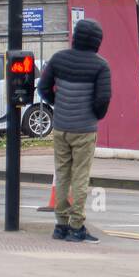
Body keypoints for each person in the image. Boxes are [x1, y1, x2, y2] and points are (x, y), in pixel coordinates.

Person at [37, 18, 112, 243]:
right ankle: (76, 226)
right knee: (80, 177)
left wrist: (57, 103)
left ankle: (60, 225)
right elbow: (103, 98)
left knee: (62, 175)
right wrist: (94, 116)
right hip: (84, 129)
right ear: (97, 41)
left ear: (76, 36)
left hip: (61, 127)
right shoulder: (100, 65)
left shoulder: (59, 59)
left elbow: (43, 87)